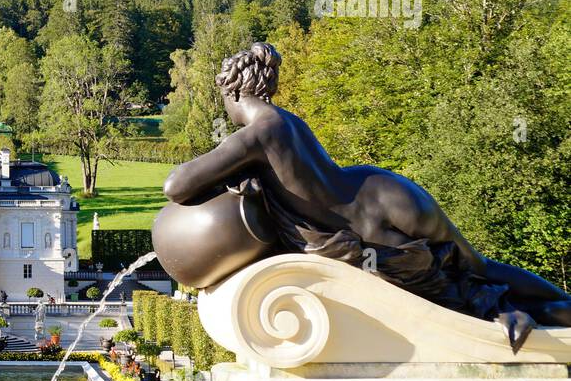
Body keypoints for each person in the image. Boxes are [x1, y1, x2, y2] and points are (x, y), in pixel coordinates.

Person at [164, 42, 571, 353]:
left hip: (367, 230)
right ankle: (561, 302)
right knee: (478, 265)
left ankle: (544, 314)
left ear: (233, 91)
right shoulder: (288, 121)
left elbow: (177, 186)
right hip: (382, 190)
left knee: (462, 300)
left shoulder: (257, 133)